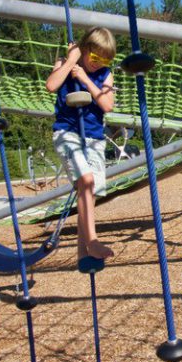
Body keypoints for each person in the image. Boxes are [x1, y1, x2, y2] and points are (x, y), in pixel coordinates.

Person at [46, 27, 116, 261]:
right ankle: (93, 243)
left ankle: (82, 249)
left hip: (94, 138)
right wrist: (71, 61)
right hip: (67, 133)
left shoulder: (105, 74)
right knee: (86, 181)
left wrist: (85, 79)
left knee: (89, 192)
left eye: (105, 59)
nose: (99, 63)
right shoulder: (65, 64)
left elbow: (107, 105)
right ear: (84, 50)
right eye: (95, 57)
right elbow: (51, 85)